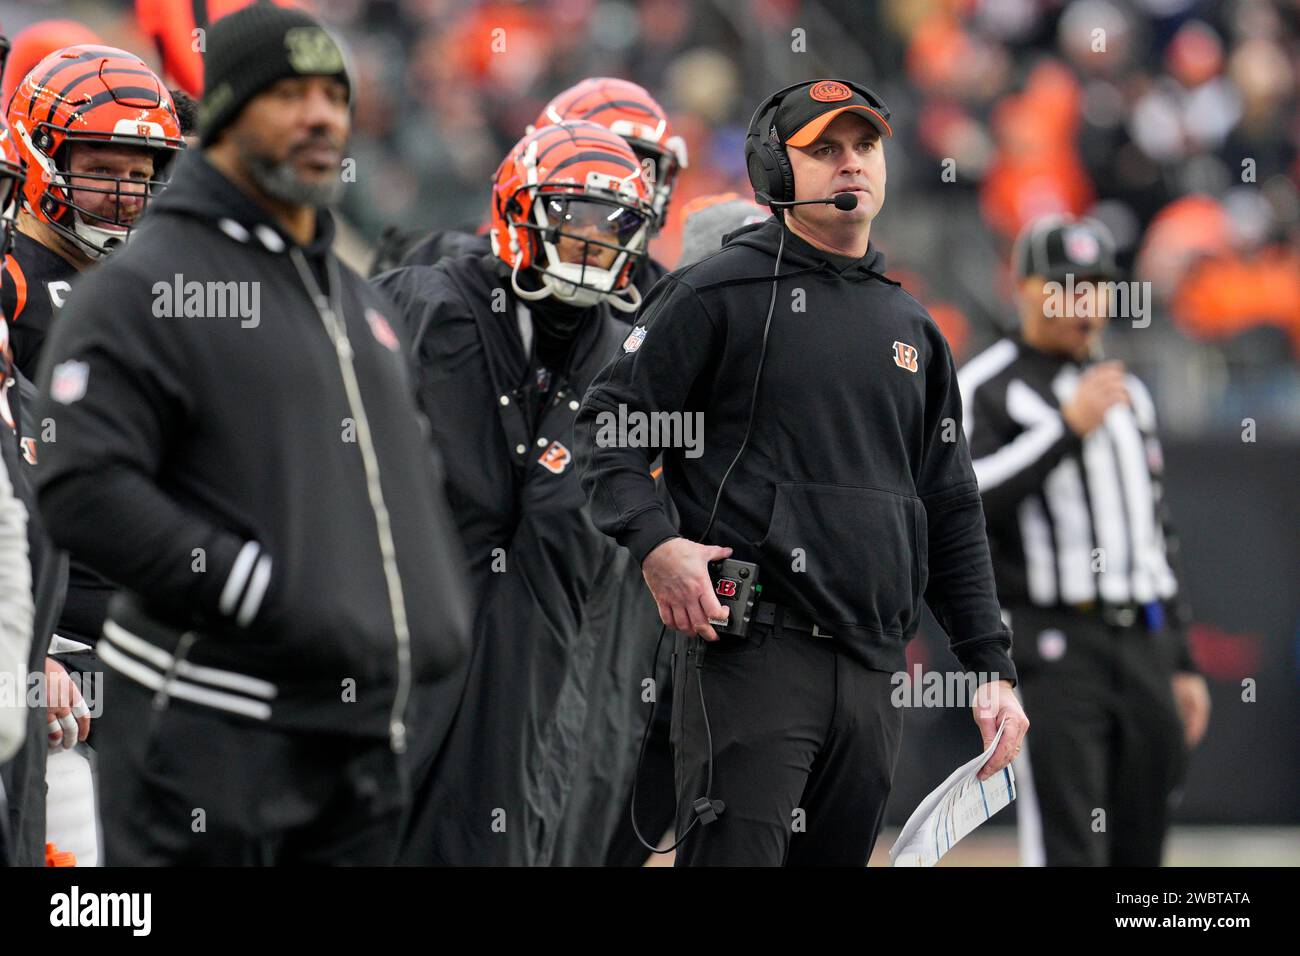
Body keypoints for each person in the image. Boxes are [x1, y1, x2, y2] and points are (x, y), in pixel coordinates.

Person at [32, 4, 471, 865]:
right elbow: (83, 485)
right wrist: (252, 585)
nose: (318, 116)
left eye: (330, 95)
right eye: (286, 94)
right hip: (207, 735)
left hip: (354, 738)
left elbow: (400, 477)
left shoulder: (351, 299)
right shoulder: (143, 281)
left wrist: (427, 614)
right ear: (226, 112)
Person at [575, 78, 1028, 866]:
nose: (850, 164)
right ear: (772, 171)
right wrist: (657, 547)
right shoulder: (716, 291)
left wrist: (990, 665)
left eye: (865, 147)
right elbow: (608, 430)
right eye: (824, 149)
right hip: (752, 659)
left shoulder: (913, 325)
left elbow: (950, 508)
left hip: (873, 669)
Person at [374, 119, 663, 865]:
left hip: (531, 672)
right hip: (399, 644)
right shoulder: (426, 302)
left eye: (616, 226)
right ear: (521, 213)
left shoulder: (625, 356)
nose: (596, 243)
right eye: (575, 222)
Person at [958, 214, 1211, 866]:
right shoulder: (987, 386)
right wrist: (1064, 430)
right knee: (1069, 845)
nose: (1083, 304)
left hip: (1145, 644)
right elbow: (965, 505)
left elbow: (1156, 531)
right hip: (1056, 645)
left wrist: (1180, 657)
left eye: (1095, 286)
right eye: (1064, 286)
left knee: (1143, 842)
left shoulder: (1127, 393)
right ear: (1025, 288)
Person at [369, 76, 684, 304]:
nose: (622, 180)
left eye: (642, 166)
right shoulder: (451, 270)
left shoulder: (665, 298)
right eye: (600, 155)